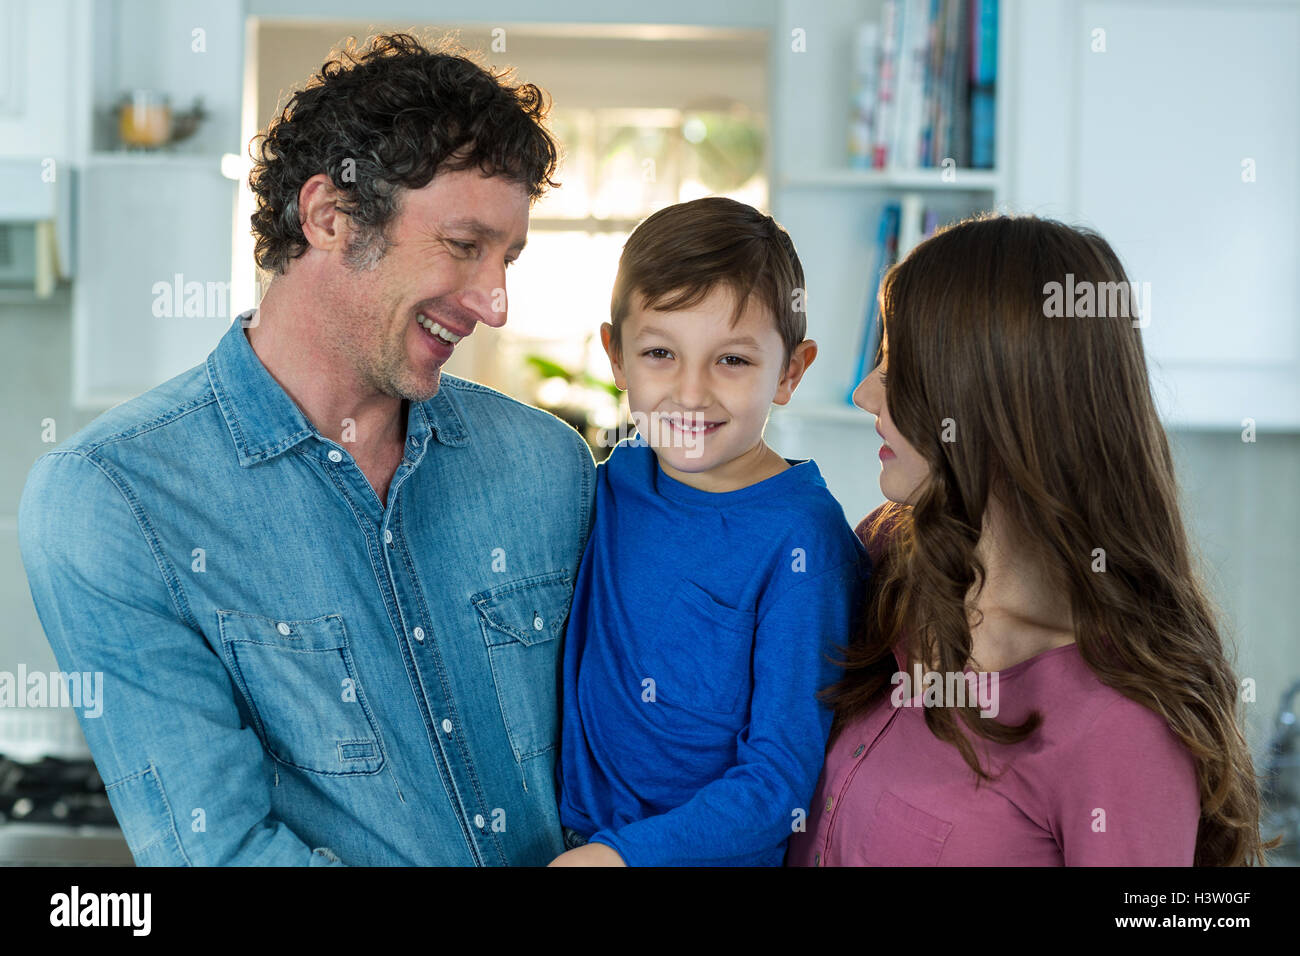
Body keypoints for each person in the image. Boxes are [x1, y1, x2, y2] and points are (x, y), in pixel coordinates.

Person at [17, 33, 596, 865]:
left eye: (508, 258)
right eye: (465, 247)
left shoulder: (548, 465)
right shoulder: (114, 499)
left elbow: (626, 761)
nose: (494, 302)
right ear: (330, 216)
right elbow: (221, 852)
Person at [787, 214, 1276, 866]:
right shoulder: (882, 556)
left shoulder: (1120, 727)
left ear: (1002, 398)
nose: (863, 391)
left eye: (899, 364)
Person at [550, 197, 870, 867]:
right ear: (616, 356)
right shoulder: (614, 480)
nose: (691, 394)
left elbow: (780, 780)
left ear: (791, 371)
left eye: (732, 361)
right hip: (566, 841)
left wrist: (621, 857)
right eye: (660, 353)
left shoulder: (804, 539)